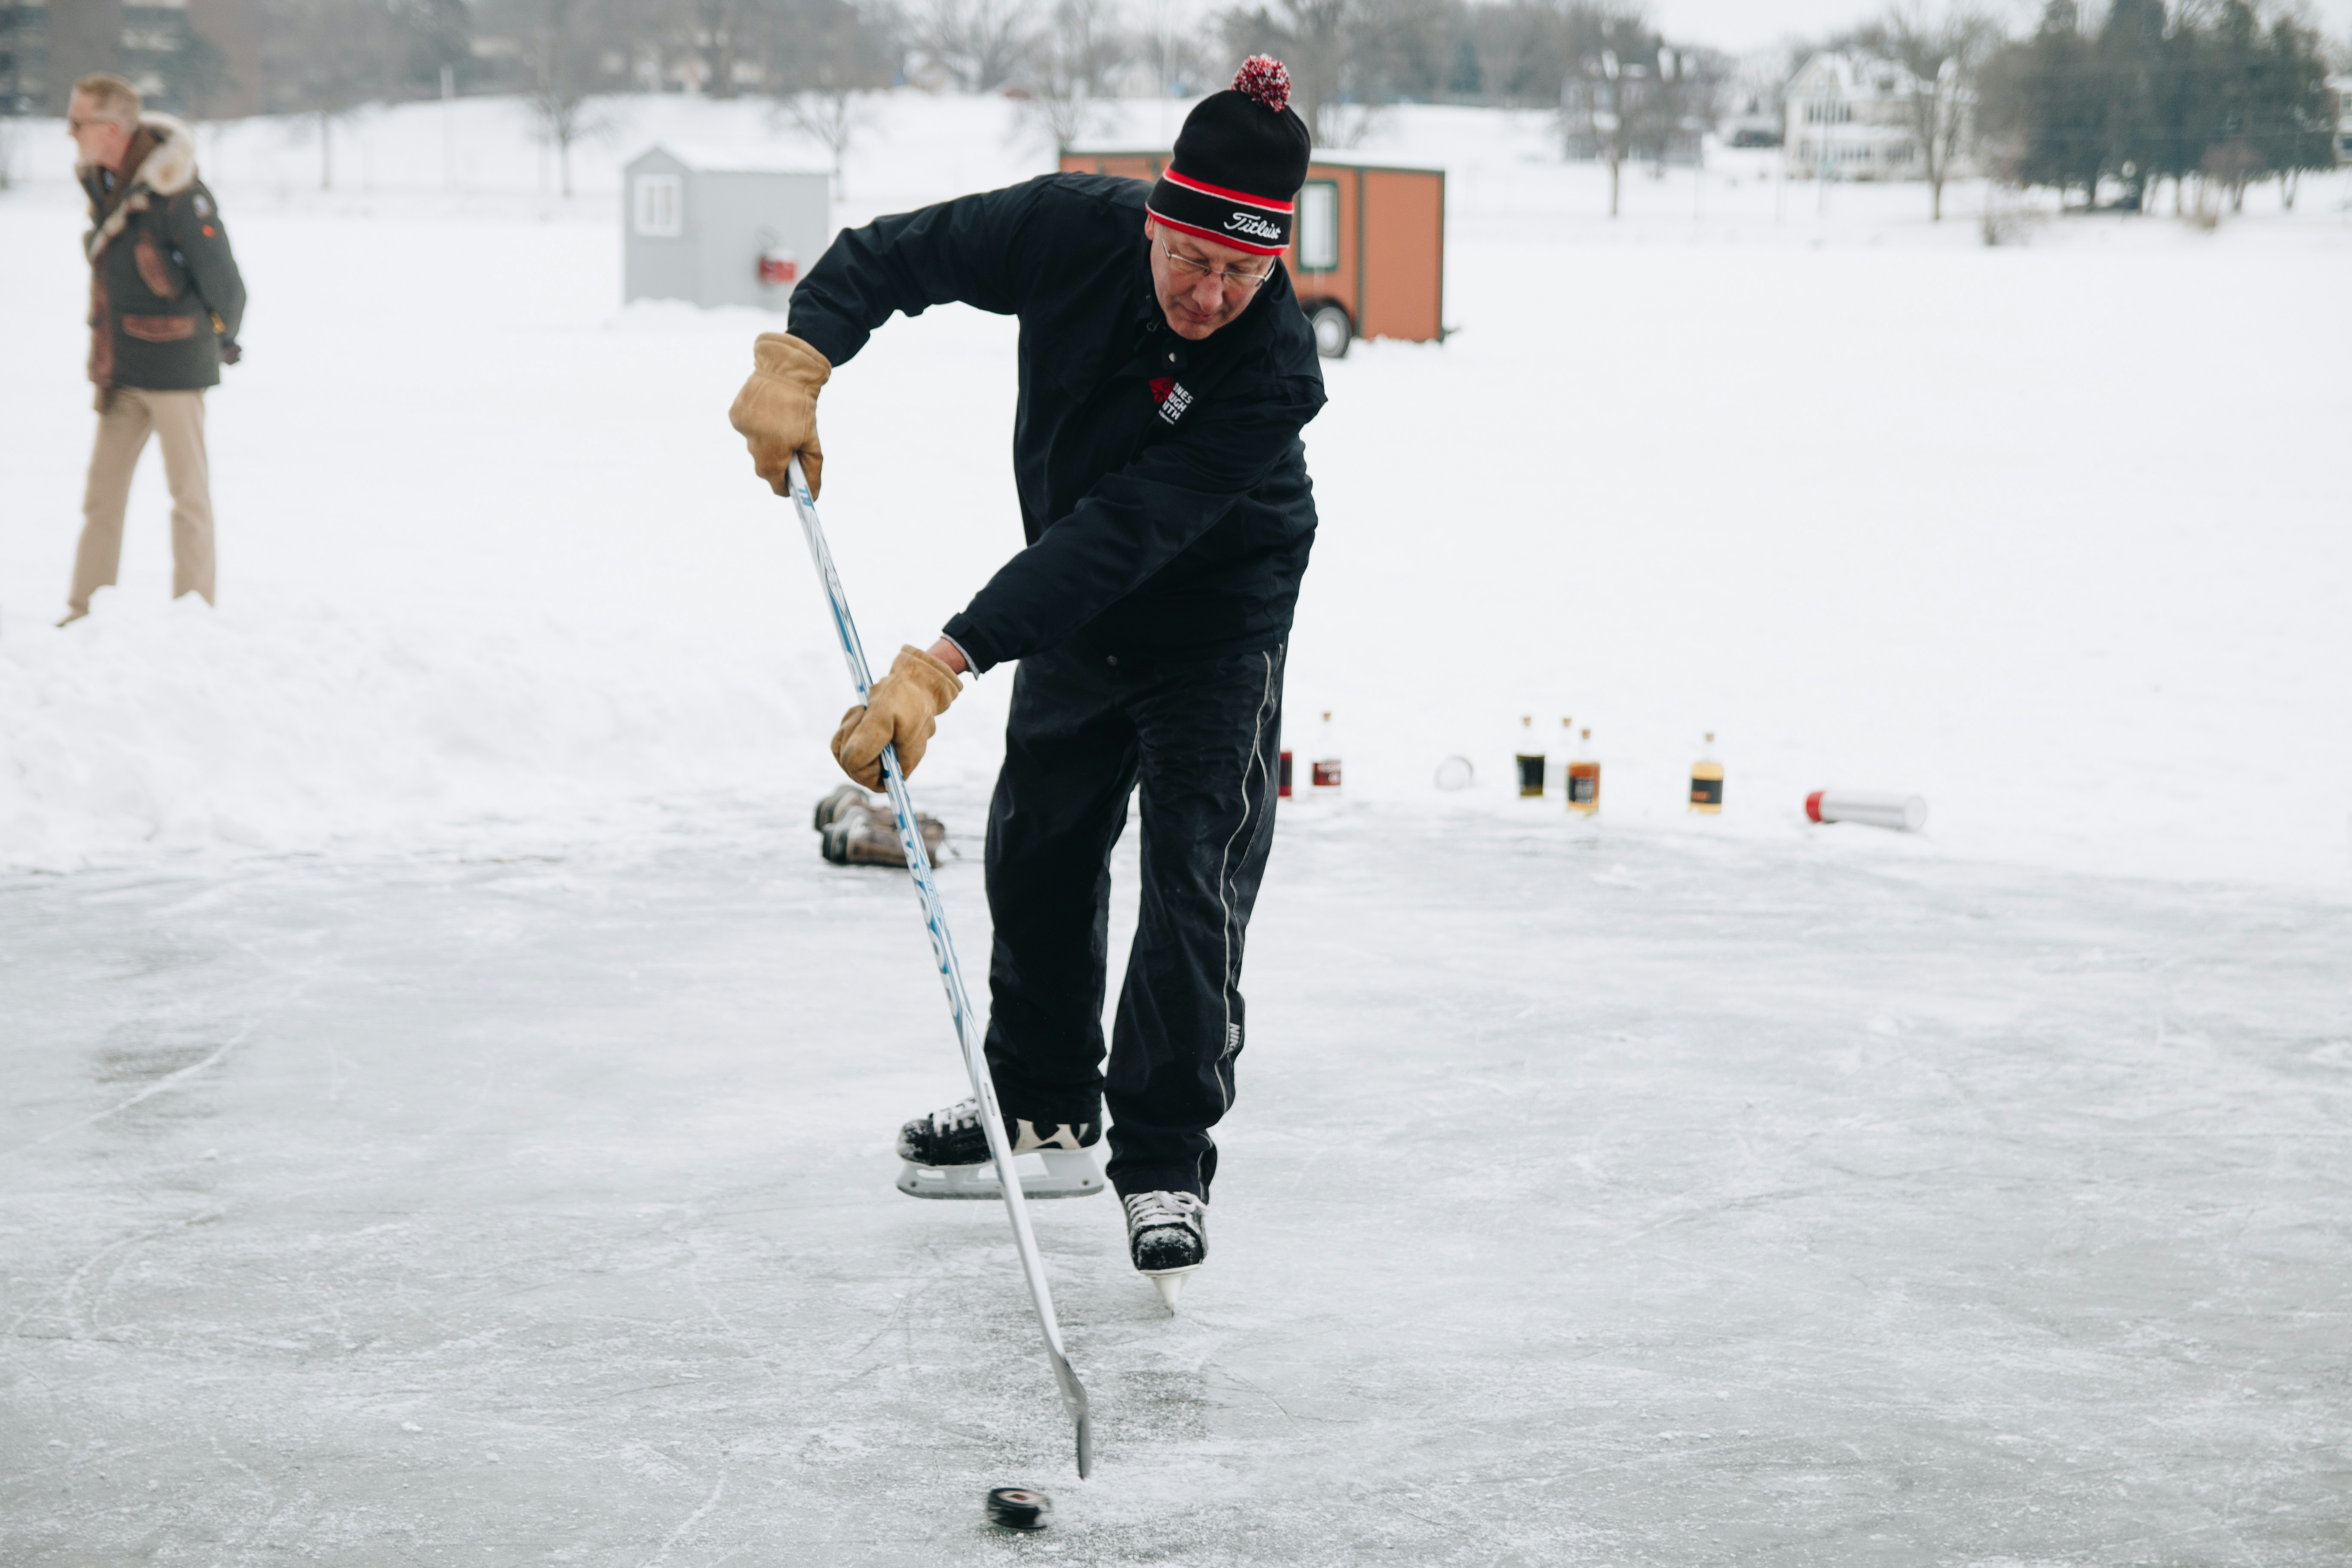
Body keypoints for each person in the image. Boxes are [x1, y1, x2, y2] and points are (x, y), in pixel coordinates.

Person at [729, 57, 1323, 1295]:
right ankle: (1046, 1110)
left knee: (1190, 875)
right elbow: (894, 256)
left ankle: (1166, 1157)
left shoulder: (1272, 371)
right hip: (1072, 598)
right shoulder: (1068, 230)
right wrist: (803, 356)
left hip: (1216, 616)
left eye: (1243, 272)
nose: (1210, 294)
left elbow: (1124, 533)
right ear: (1157, 219)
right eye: (1191, 260)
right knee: (1041, 843)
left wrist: (942, 664)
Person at [61, 73, 245, 628]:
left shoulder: (176, 189)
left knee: (188, 499)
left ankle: (195, 616)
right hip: (122, 370)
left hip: (177, 369)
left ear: (112, 128)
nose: (69, 134)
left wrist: (222, 340)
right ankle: (83, 614)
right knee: (102, 497)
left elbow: (226, 283)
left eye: (78, 123)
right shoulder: (105, 184)